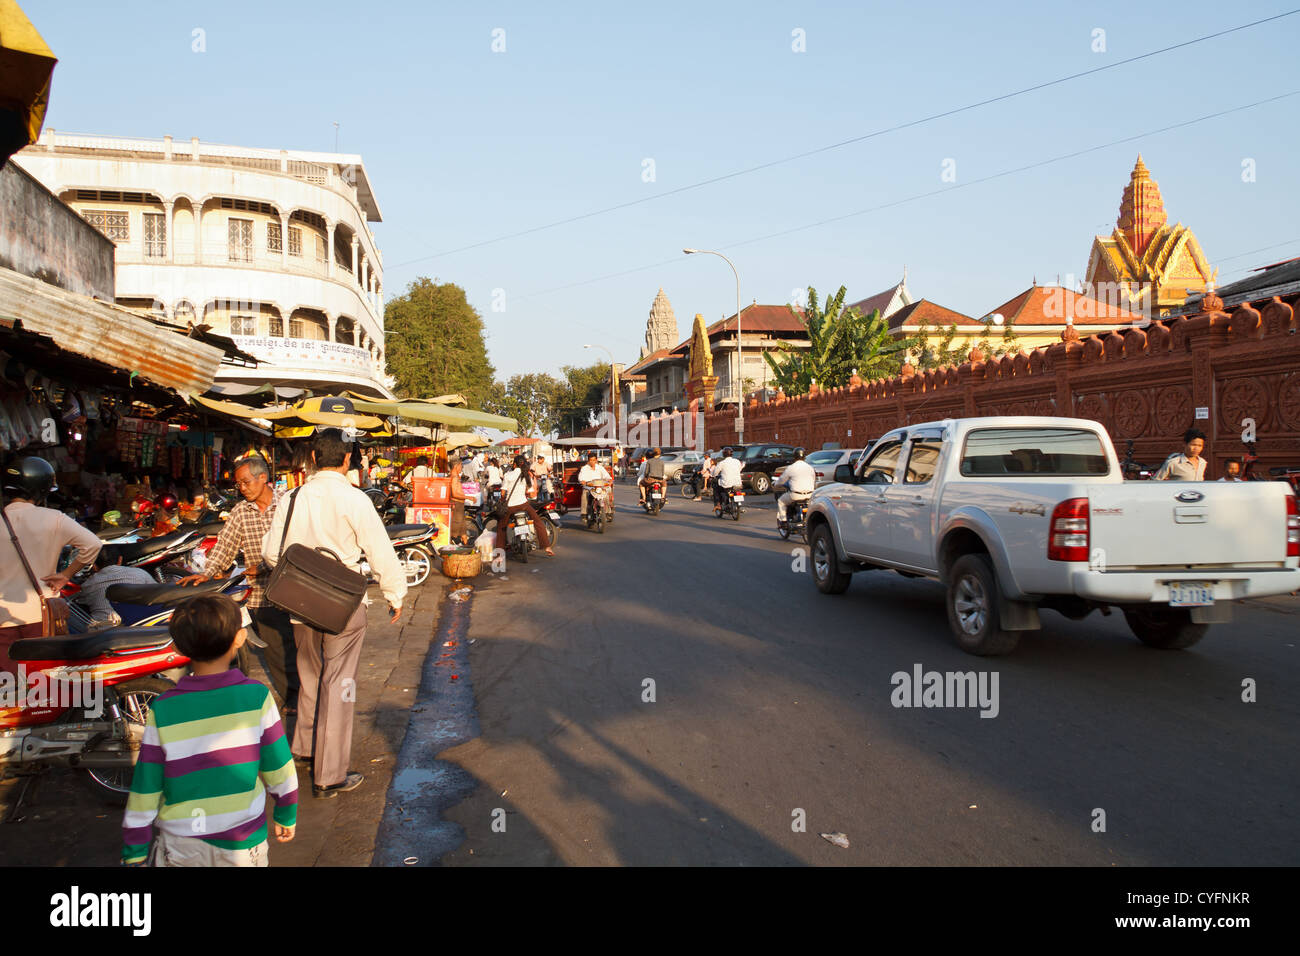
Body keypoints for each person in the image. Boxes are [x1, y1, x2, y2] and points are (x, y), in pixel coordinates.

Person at [262, 429, 407, 798]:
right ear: (347, 460)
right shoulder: (354, 499)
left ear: (312, 457)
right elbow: (378, 550)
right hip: (343, 605)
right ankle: (330, 775)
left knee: (310, 678)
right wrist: (395, 593)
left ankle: (306, 750)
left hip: (300, 605)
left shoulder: (292, 497)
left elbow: (271, 553)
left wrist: (305, 574)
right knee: (340, 684)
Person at [121, 594, 297, 866]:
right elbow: (279, 766)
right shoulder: (256, 697)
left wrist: (135, 847)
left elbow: (147, 781)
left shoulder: (164, 707)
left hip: (182, 843)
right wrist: (286, 811)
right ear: (239, 638)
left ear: (178, 648)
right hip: (243, 842)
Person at [179, 455, 299, 715]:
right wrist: (208, 573)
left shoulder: (288, 504)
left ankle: (308, 693)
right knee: (276, 651)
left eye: (246, 482)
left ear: (263, 478)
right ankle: (294, 698)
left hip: (296, 588)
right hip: (262, 594)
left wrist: (268, 565)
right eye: (239, 484)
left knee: (300, 647)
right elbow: (225, 545)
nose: (242, 488)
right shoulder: (241, 511)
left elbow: (299, 544)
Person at [1, 457, 102, 671]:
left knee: (11, 690)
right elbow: (93, 544)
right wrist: (66, 574)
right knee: (44, 685)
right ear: (42, 490)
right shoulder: (54, 518)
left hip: (4, 619)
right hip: (43, 614)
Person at [74, 551, 155, 628]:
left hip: (104, 634)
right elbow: (157, 593)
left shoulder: (88, 584)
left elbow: (81, 601)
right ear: (120, 559)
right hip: (143, 627)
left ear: (94, 566)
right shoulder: (140, 573)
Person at [497, 453, 554, 556]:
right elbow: (530, 491)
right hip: (523, 505)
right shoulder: (526, 475)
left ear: (514, 465)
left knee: (501, 527)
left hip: (510, 506)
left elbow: (503, 493)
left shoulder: (507, 475)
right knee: (538, 522)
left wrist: (502, 499)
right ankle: (547, 546)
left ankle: (500, 554)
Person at [775, 448, 816, 527]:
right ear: (804, 457)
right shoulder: (810, 468)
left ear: (794, 457)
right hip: (810, 495)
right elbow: (813, 480)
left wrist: (776, 484)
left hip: (796, 495)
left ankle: (783, 522)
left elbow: (782, 480)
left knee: (781, 501)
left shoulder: (791, 468)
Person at [578, 452, 613, 521]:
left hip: (599, 487)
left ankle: (608, 512)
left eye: (594, 460)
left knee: (606, 495)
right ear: (588, 461)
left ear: (596, 460)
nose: (592, 462)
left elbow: (607, 476)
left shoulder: (600, 468)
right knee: (584, 494)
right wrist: (583, 481)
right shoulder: (584, 468)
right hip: (589, 487)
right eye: (591, 460)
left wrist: (609, 480)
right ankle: (584, 514)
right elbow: (581, 478)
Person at [713, 447, 744, 513]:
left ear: (723, 454)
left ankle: (718, 504)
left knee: (716, 488)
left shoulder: (722, 463)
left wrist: (713, 475)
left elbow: (715, 473)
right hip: (738, 483)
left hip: (727, 484)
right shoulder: (737, 461)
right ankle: (738, 504)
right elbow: (740, 469)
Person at [448, 452, 469, 545]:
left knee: (463, 529)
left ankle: (466, 546)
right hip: (456, 505)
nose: (461, 468)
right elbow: (455, 493)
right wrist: (469, 497)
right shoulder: (454, 477)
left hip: (459, 505)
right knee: (455, 529)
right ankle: (451, 545)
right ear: (457, 466)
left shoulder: (454, 476)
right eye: (461, 466)